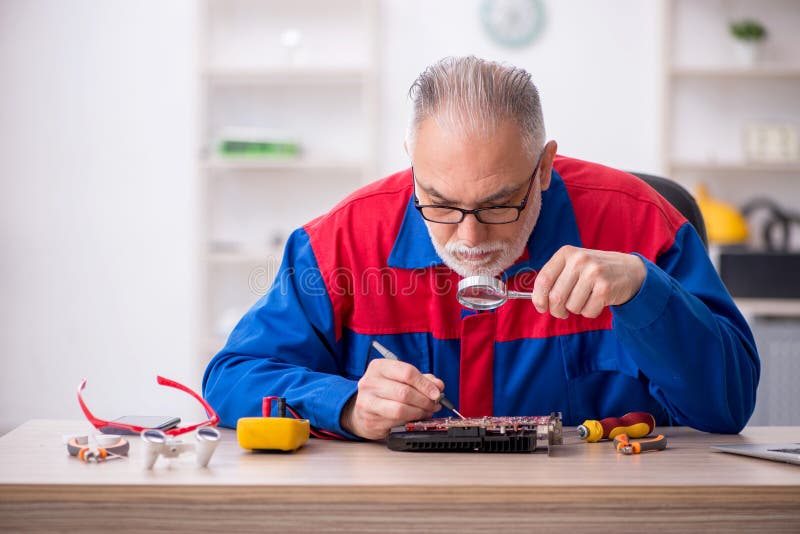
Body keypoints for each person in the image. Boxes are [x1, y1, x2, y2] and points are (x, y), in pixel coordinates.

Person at [203, 56, 759, 440]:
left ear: (544, 167)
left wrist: (643, 292)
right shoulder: (341, 243)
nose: (469, 240)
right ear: (413, 163)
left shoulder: (642, 224)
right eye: (439, 203)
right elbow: (231, 377)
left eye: (498, 205)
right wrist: (345, 406)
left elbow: (729, 406)